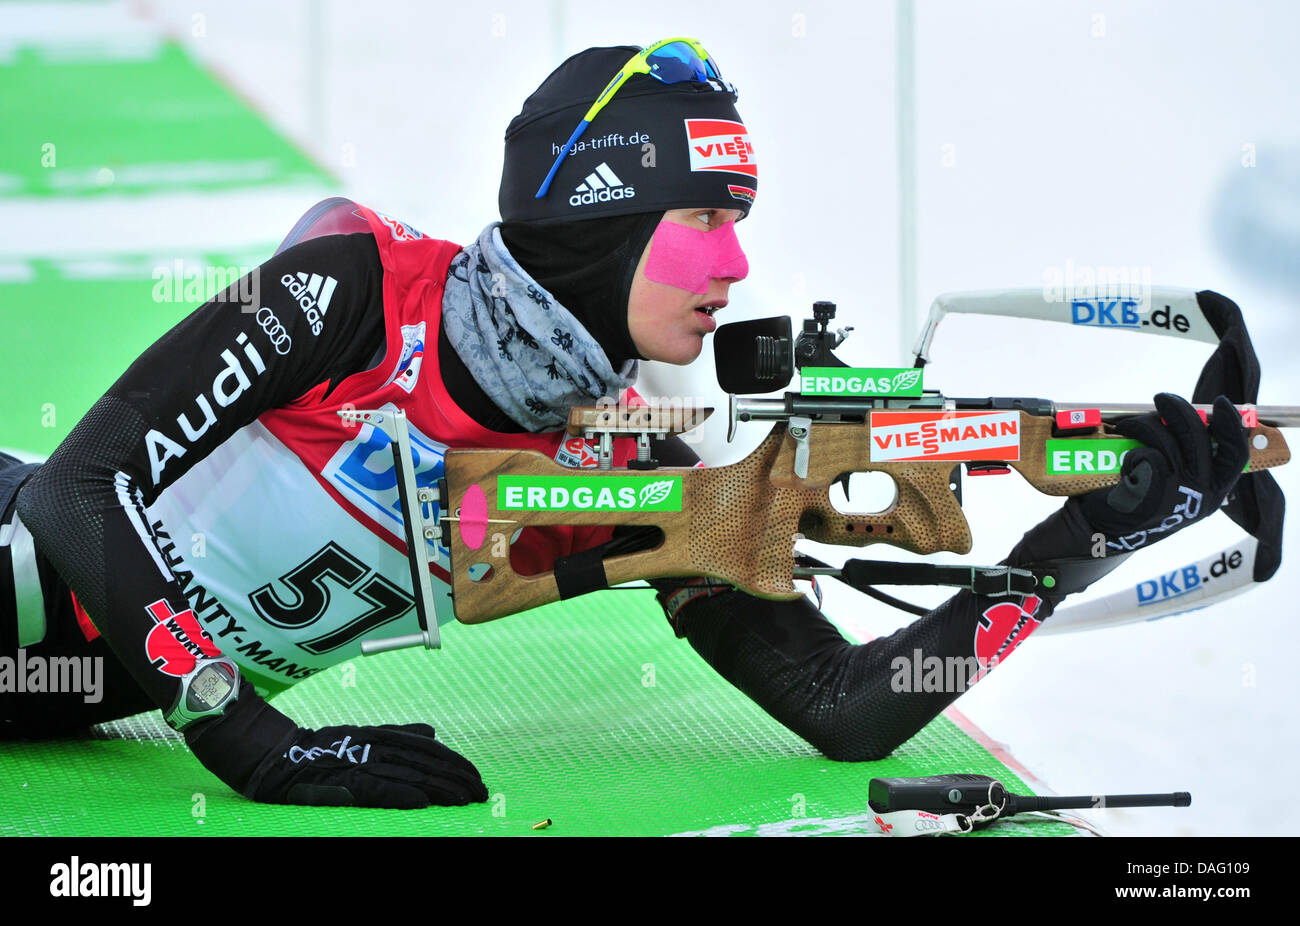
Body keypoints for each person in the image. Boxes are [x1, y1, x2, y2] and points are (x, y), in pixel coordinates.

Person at [0, 40, 1249, 809]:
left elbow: (840, 704)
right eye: (703, 216)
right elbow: (74, 491)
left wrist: (1078, 540)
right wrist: (248, 731)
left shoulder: (635, 453)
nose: (735, 256)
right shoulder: (356, 292)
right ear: (604, 215)